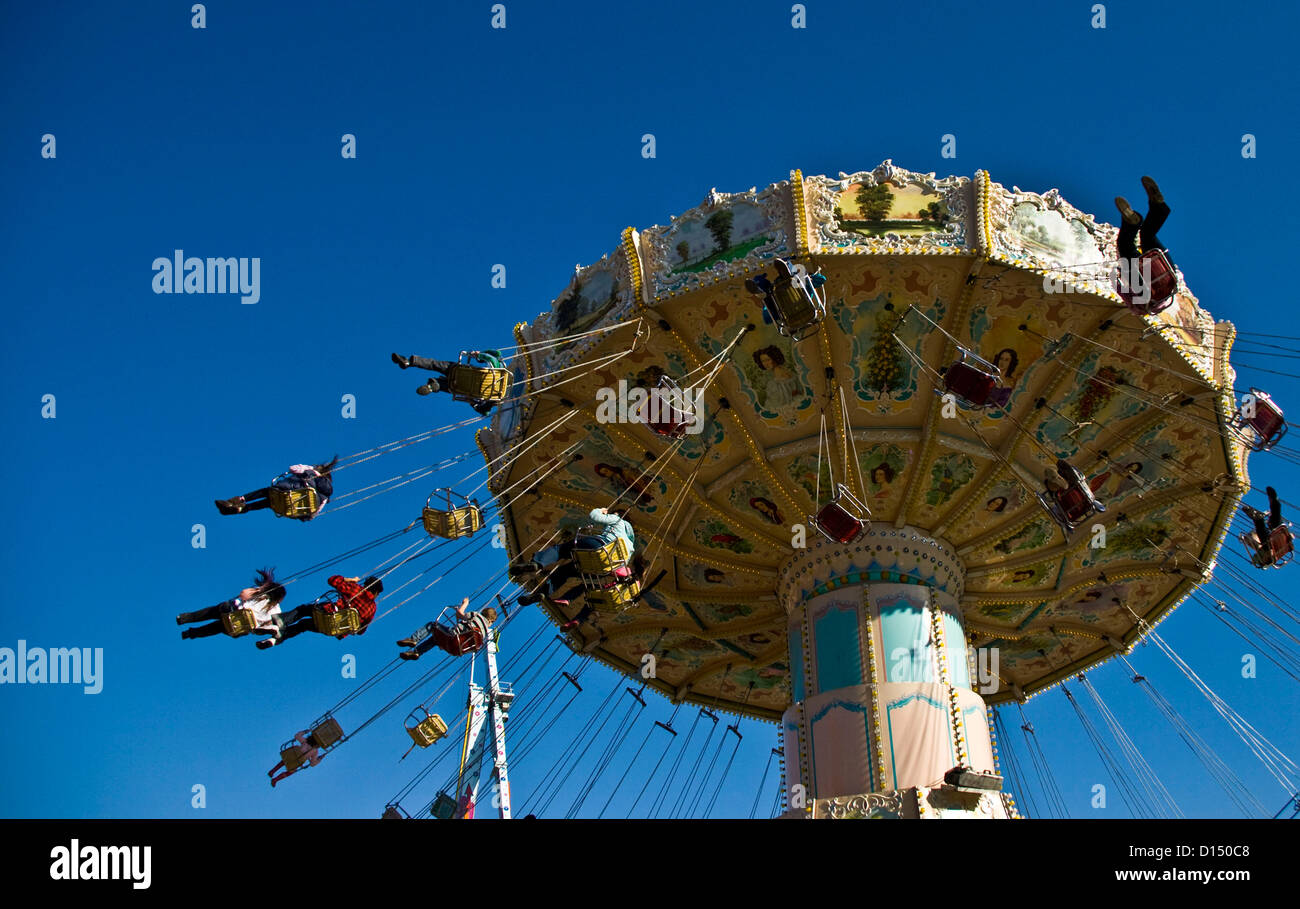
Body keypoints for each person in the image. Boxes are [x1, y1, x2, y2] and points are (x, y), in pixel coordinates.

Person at [257, 575, 382, 649]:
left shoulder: (356, 589)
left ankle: (278, 623)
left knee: (303, 610)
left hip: (327, 614)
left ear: (365, 585)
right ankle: (276, 639)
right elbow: (361, 630)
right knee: (304, 625)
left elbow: (332, 580)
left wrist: (350, 580)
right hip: (334, 629)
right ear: (376, 592)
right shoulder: (372, 607)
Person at [177, 568, 286, 640]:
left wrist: (259, 590)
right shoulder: (276, 610)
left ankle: (184, 618)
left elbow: (243, 594)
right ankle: (190, 633)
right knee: (216, 628)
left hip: (232, 610)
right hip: (238, 627)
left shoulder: (261, 594)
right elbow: (263, 629)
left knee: (210, 612)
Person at [215, 457, 338, 519]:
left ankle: (236, 501)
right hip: (289, 508)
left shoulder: (311, 473)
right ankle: (240, 509)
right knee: (269, 503)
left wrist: (309, 468)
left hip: (285, 491)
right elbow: (312, 515)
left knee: (266, 492)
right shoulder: (325, 497)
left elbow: (292, 468)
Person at [390, 350, 506, 415]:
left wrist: (477, 355)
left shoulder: (497, 367)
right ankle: (434, 386)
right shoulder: (495, 397)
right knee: (446, 386)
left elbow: (491, 358)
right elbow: (485, 412)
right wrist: (473, 403)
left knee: (434, 364)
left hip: (459, 372)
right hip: (462, 388)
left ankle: (409, 362)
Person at [1114, 176, 1174, 293]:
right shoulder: (1144, 302)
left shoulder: (1170, 285)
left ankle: (1158, 207)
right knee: (1125, 245)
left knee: (1148, 235)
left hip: (1166, 274)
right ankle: (1130, 223)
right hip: (1147, 283)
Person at [396, 598, 497, 659]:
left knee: (432, 625)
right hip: (458, 649)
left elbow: (460, 614)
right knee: (436, 638)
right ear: (491, 621)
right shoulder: (482, 634)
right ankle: (416, 652)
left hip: (453, 636)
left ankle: (413, 639)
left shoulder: (476, 615)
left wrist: (465, 603)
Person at [1243, 486, 1284, 553]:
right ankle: (1274, 504)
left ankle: (1259, 518)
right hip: (1276, 537)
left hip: (1269, 545)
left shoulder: (1263, 549)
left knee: (1264, 529)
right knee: (1274, 524)